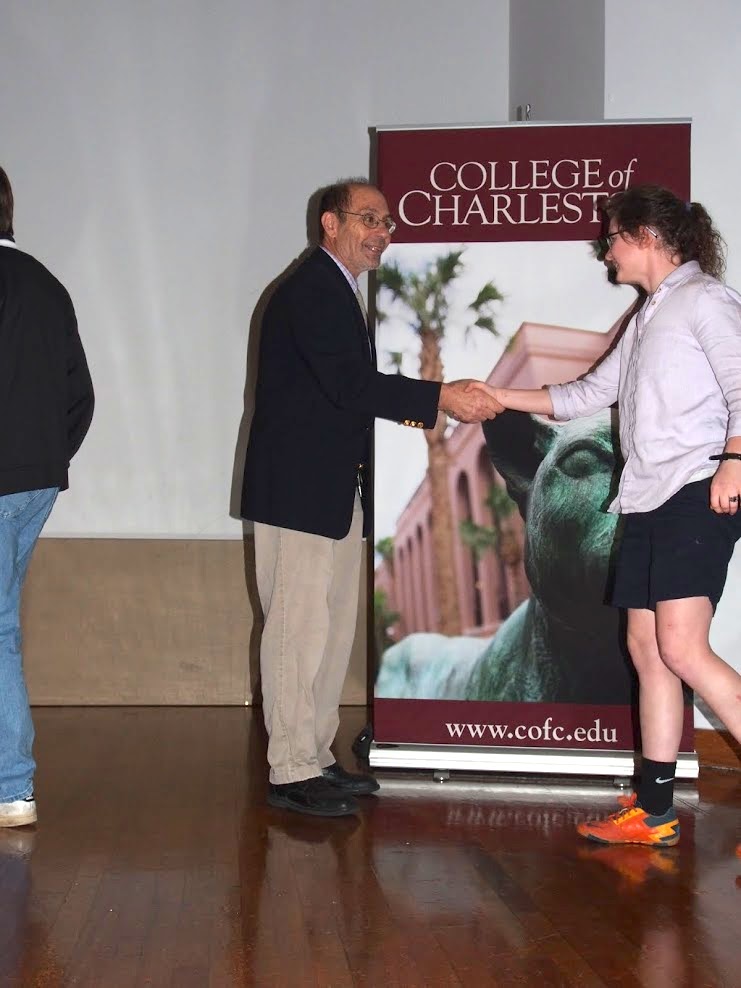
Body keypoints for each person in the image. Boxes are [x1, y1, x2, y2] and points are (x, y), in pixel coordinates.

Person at [472, 184, 741, 846]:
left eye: (611, 238)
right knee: (647, 651)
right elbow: (585, 394)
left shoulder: (704, 299)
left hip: (694, 492)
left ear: (646, 236)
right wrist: (494, 395)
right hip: (644, 500)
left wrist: (735, 462)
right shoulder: (648, 316)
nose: (604, 252)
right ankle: (654, 811)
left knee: (681, 648)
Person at [241, 177, 501, 817]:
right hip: (299, 492)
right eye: (369, 218)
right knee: (297, 630)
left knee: (329, 629)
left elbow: (341, 392)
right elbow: (349, 385)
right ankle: (291, 769)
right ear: (330, 224)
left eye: (387, 222)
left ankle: (315, 754)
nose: (382, 232)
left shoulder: (337, 289)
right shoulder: (311, 288)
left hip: (330, 488)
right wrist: (438, 397)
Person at [0, 166, 94, 828]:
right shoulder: (46, 284)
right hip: (34, 482)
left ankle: (12, 782)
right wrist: (45, 460)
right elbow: (79, 395)